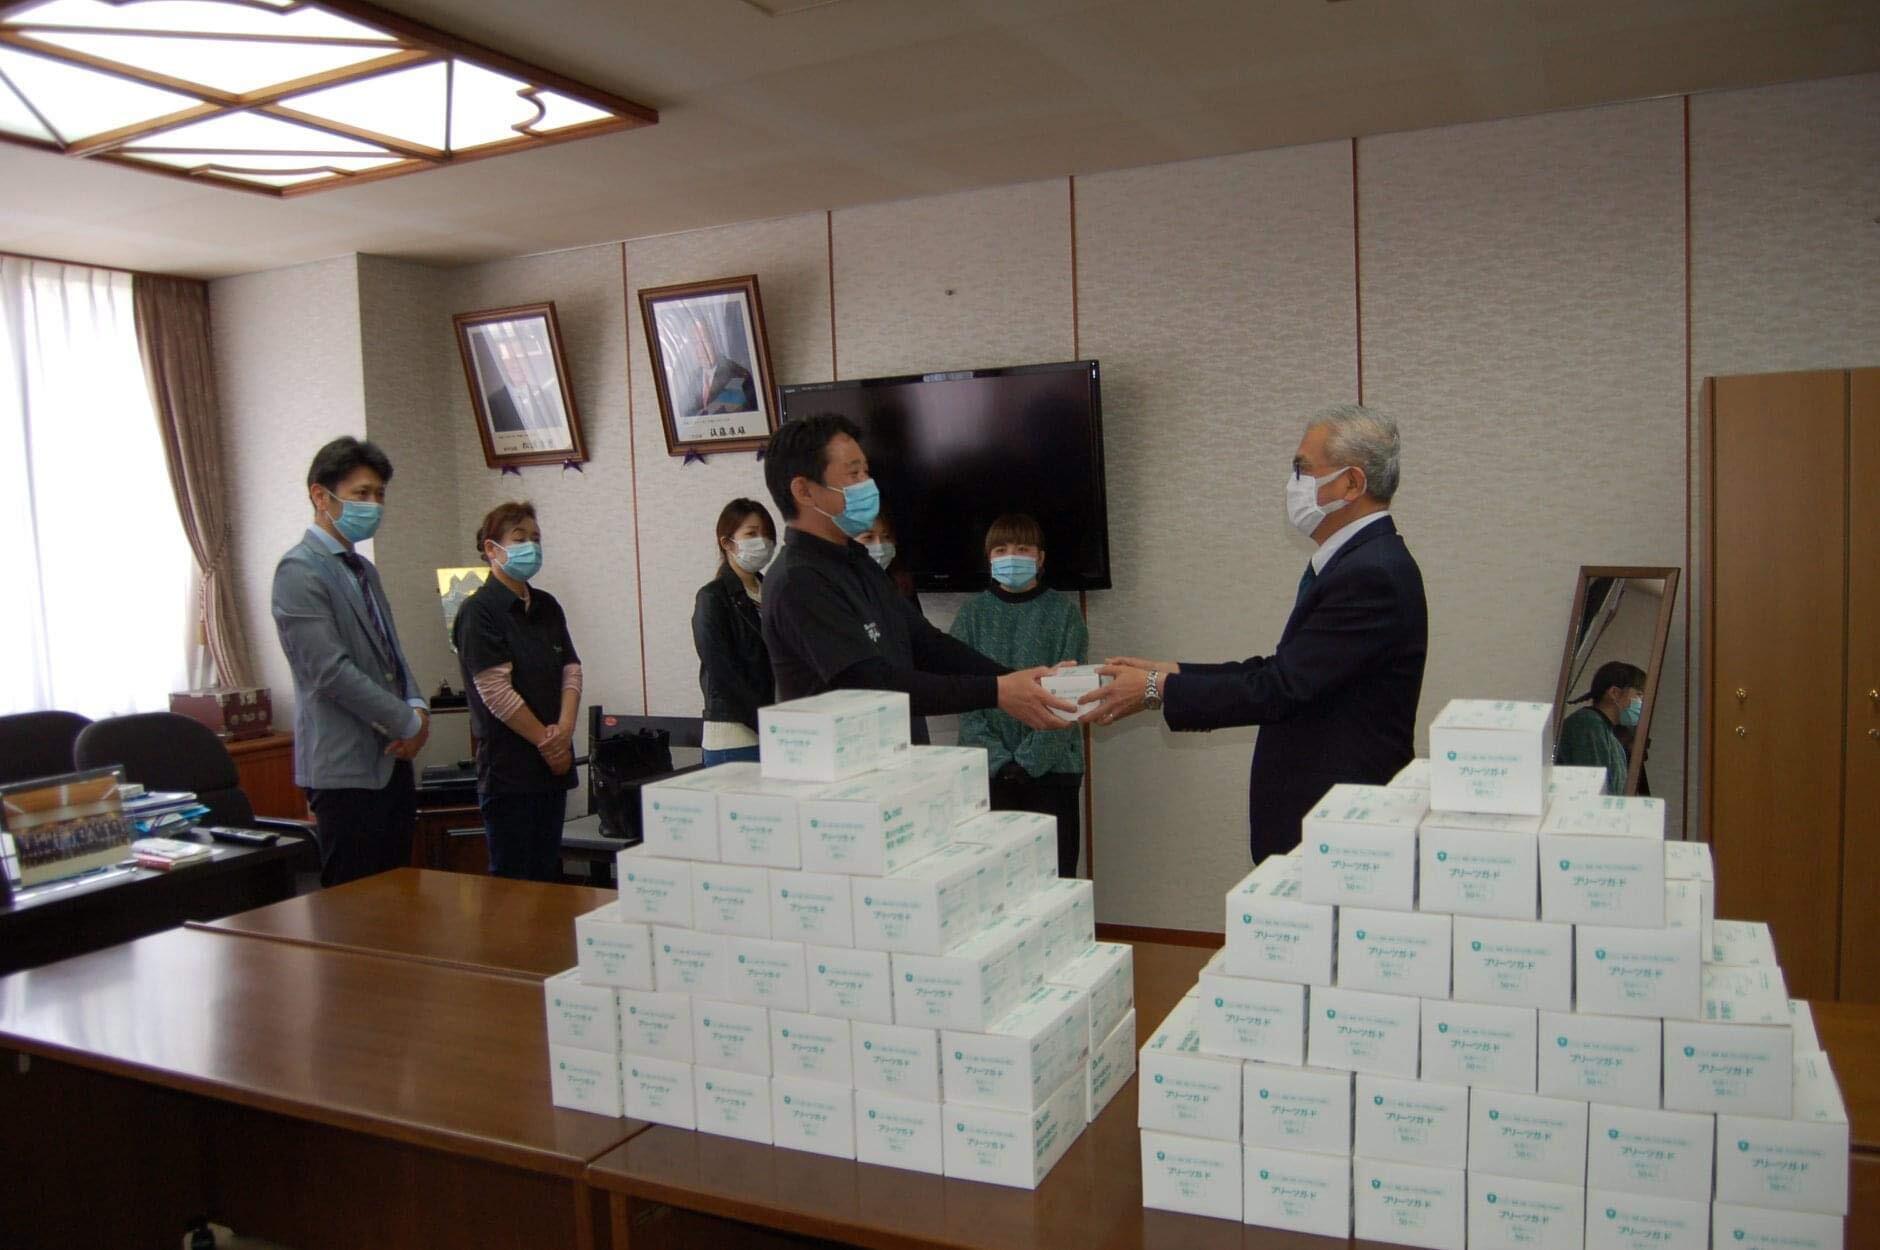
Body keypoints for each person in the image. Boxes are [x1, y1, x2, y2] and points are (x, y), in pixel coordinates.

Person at [1080, 404, 1428, 863]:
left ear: (1351, 483)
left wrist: (1154, 689)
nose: (1293, 483)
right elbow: (1286, 671)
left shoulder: (1371, 573)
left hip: (1341, 826)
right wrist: (1171, 672)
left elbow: (1281, 688)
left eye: (1302, 469)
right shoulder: (1357, 562)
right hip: (1325, 817)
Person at [758, 414, 1076, 742]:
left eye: (866, 471)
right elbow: (870, 684)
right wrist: (997, 691)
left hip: (898, 755)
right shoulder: (799, 580)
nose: (867, 484)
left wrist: (1015, 681)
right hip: (842, 764)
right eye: (853, 474)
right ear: (804, 491)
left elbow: (924, 643)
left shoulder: (858, 560)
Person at [271, 436, 430, 887]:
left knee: (399, 897)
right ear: (321, 496)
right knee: (354, 907)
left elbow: (391, 653)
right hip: (344, 769)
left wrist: (418, 705)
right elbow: (329, 672)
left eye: (380, 494)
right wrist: (406, 722)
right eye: (361, 493)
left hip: (392, 763)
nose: (374, 505)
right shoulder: (299, 570)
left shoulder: (363, 570)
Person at [950, 513, 1090, 877]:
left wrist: (1028, 762)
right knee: (995, 880)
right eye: (1001, 549)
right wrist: (999, 761)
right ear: (989, 558)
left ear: (1040, 558)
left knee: (1055, 879)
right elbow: (964, 697)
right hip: (988, 775)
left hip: (1053, 772)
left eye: (1023, 548)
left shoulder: (1065, 615)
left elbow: (1071, 699)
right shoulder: (970, 616)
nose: (1011, 556)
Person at [454, 501, 582, 881]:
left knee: (549, 877)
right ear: (492, 549)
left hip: (553, 767)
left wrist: (564, 731)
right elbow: (495, 691)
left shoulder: (547, 605)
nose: (532, 547)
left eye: (536, 539)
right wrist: (548, 743)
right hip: (510, 771)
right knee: (513, 884)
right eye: (520, 538)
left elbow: (571, 670)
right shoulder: (478, 611)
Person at [693, 498, 777, 766]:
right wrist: (763, 720)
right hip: (733, 735)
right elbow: (722, 672)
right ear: (727, 543)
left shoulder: (774, 591)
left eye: (767, 534)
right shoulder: (712, 597)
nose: (762, 541)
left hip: (776, 729)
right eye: (751, 534)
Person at [1557, 659, 1644, 796]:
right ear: (1614, 693)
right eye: (1639, 695)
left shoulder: (1611, 738)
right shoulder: (1587, 725)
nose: (1642, 703)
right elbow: (1593, 790)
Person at [854, 512, 922, 613]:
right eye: (868, 537)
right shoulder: (835, 590)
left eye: (886, 537)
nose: (879, 545)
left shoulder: (901, 584)